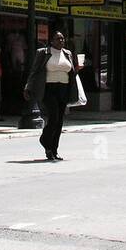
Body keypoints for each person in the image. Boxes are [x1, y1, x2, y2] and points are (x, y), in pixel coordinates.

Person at [23, 30, 78, 161]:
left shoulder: (68, 53)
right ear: (52, 41)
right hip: (49, 89)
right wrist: (28, 87)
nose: (61, 41)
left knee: (59, 121)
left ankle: (53, 149)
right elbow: (35, 71)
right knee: (53, 117)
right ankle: (45, 140)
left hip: (63, 89)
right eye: (58, 39)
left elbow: (71, 71)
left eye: (62, 39)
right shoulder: (43, 53)